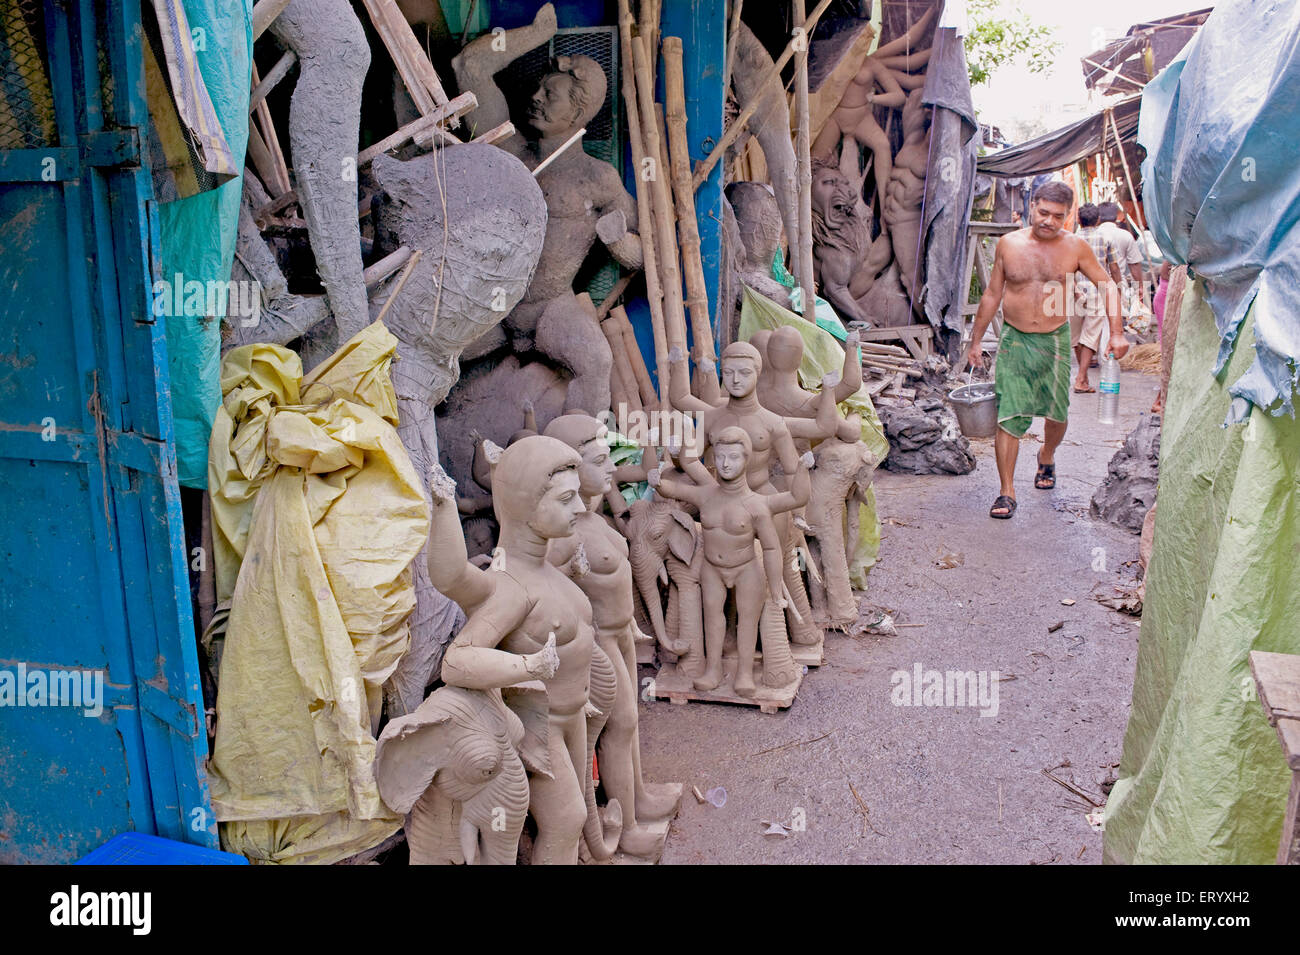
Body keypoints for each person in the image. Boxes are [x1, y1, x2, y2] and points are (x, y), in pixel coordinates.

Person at [968, 181, 1129, 519]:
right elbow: (992, 295)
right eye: (1044, 213)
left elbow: (1108, 287)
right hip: (1014, 340)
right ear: (1032, 206)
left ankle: (1047, 454)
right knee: (1010, 415)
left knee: (1057, 414)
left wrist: (1117, 332)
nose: (1049, 221)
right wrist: (976, 340)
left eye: (1058, 216)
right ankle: (1006, 492)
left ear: (1068, 217)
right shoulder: (1009, 244)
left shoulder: (1076, 248)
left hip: (1055, 340)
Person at [1070, 203, 1122, 393]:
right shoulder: (1105, 238)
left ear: (1078, 220)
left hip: (1073, 292)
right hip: (1098, 291)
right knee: (1091, 336)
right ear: (1098, 220)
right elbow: (1114, 268)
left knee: (1076, 337)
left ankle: (1081, 376)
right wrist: (1118, 290)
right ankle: (1081, 377)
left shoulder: (1071, 240)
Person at [1097, 202, 1147, 310]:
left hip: (1095, 284)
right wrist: (1140, 287)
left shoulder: (1094, 235)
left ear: (1098, 217)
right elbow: (1135, 265)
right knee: (1118, 318)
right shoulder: (1125, 235)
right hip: (1119, 284)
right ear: (1116, 216)